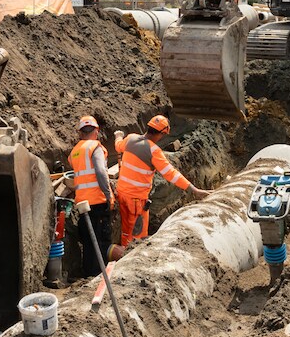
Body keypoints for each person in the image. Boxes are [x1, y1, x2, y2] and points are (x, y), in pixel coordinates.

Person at [114, 115, 209, 246]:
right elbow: (171, 174)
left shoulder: (130, 139)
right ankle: (132, 259)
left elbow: (118, 146)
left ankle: (123, 249)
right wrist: (194, 189)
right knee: (137, 237)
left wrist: (118, 136)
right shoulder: (154, 151)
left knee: (126, 231)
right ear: (162, 133)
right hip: (136, 201)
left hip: (121, 194)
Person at [67, 115, 114, 276]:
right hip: (98, 202)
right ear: (96, 131)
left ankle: (88, 273)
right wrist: (109, 195)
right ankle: (100, 275)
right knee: (101, 241)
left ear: (80, 133)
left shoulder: (74, 152)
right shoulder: (95, 147)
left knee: (88, 241)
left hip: (82, 204)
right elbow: (101, 172)